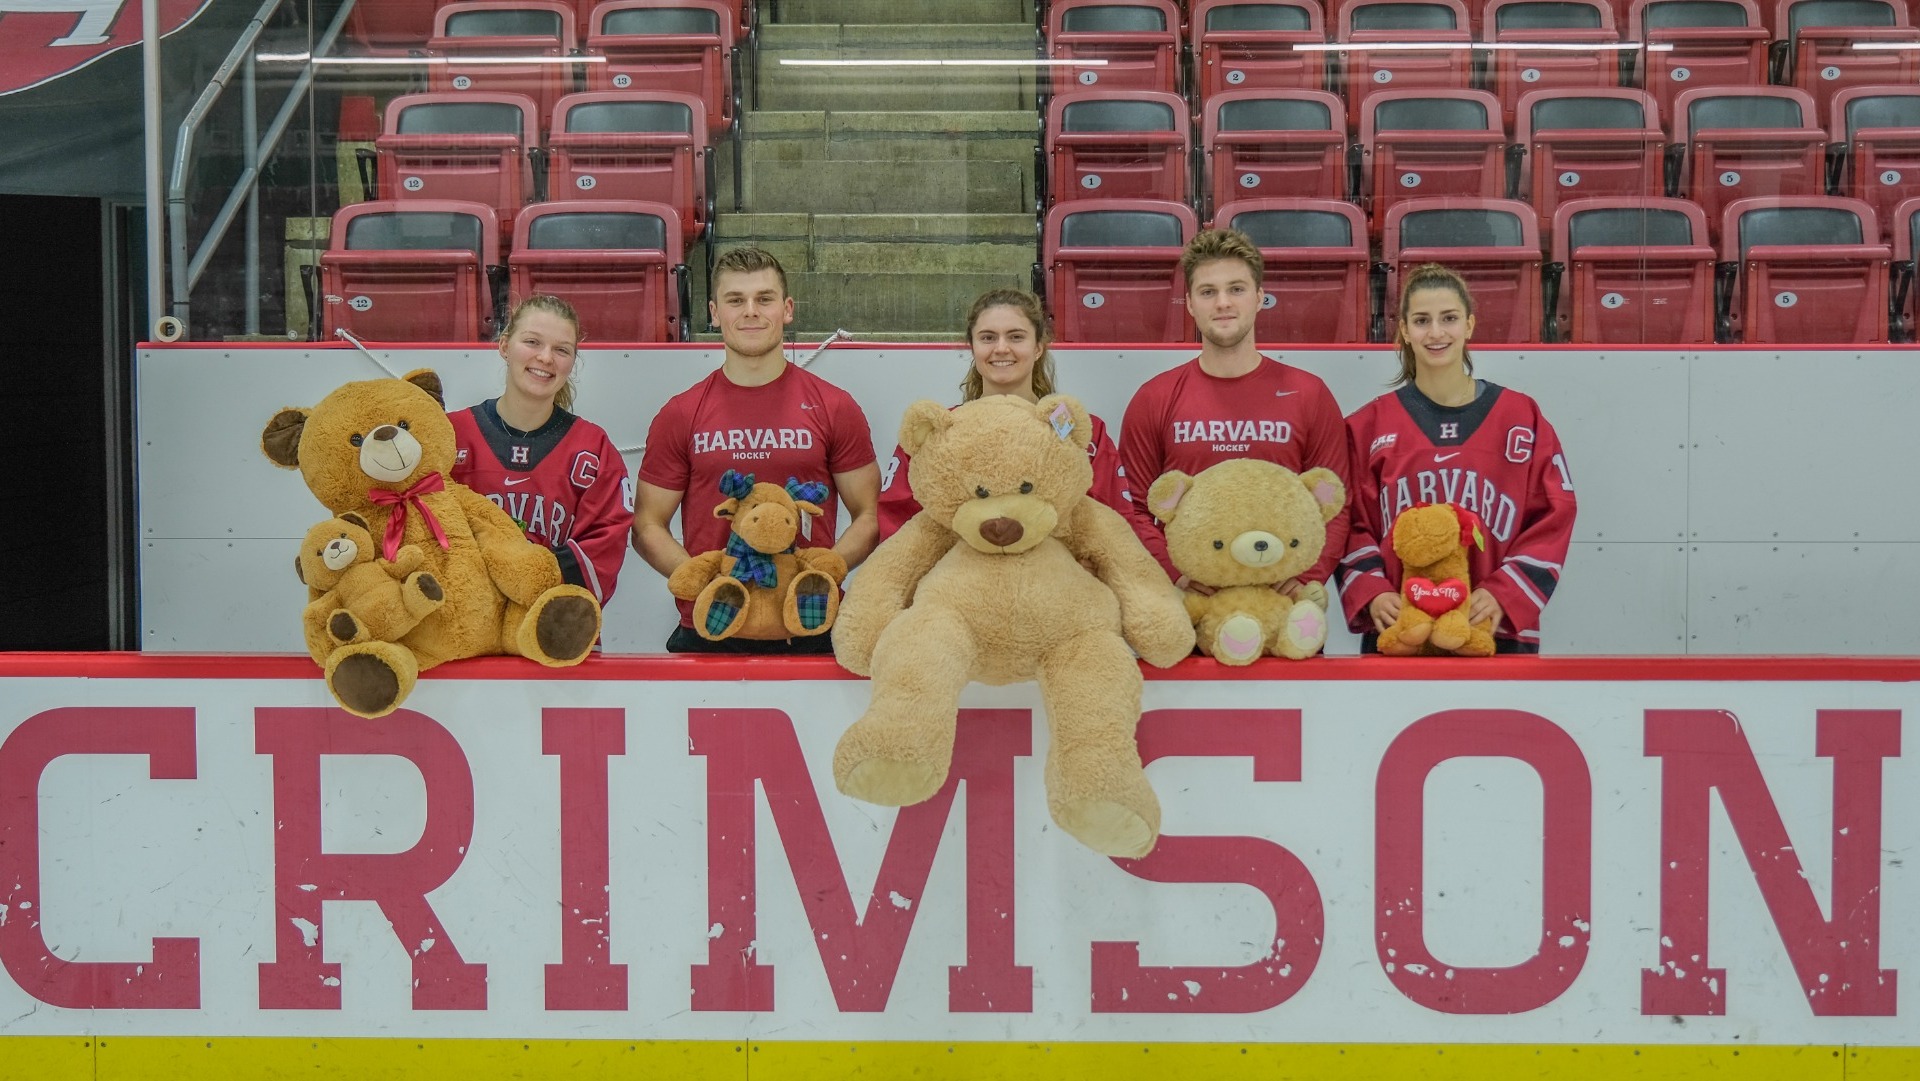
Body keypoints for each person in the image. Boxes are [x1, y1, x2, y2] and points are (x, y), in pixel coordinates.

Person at [632, 247, 881, 653]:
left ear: (787, 309)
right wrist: (705, 581)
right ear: (715, 312)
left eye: (764, 299)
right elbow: (646, 526)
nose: (750, 311)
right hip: (712, 623)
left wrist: (824, 571)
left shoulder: (835, 406)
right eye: (736, 300)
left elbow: (870, 515)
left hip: (808, 622)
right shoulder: (681, 413)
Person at [1338, 263, 1577, 654]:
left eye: (1448, 318)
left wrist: (1506, 592)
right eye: (1421, 320)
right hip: (1403, 629)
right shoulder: (1367, 425)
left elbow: (1555, 512)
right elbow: (1349, 520)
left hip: (1491, 629)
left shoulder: (1521, 417)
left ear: (1468, 325)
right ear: (1403, 330)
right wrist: (1373, 590)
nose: (1435, 332)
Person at [1119, 227, 1352, 601]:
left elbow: (1335, 501)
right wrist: (1176, 574)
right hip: (1193, 611)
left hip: (1282, 609)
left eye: (1236, 289)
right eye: (1208, 292)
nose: (1223, 303)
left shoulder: (1309, 394)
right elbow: (1133, 505)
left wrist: (1306, 576)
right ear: (1191, 304)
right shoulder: (1155, 398)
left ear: (1260, 298)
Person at [876, 287, 1159, 550]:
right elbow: (896, 525)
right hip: (961, 590)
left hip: (1055, 588)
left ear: (1038, 347)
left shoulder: (1079, 430)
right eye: (988, 337)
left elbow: (1114, 524)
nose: (1001, 348)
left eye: (1016, 337)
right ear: (972, 347)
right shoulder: (939, 432)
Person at [449, 293, 633, 607]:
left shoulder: (593, 448)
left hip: (553, 628)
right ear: (505, 347)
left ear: (572, 362)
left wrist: (530, 580)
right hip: (467, 626)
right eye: (532, 342)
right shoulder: (451, 435)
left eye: (561, 350)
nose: (546, 358)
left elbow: (606, 545)